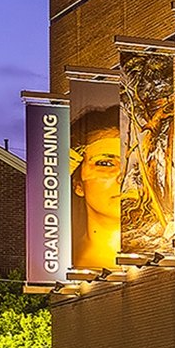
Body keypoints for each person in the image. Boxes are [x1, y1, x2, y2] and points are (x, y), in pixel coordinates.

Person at [70, 106, 123, 271]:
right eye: (105, 164)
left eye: (133, 162)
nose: (123, 176)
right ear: (78, 184)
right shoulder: (61, 258)